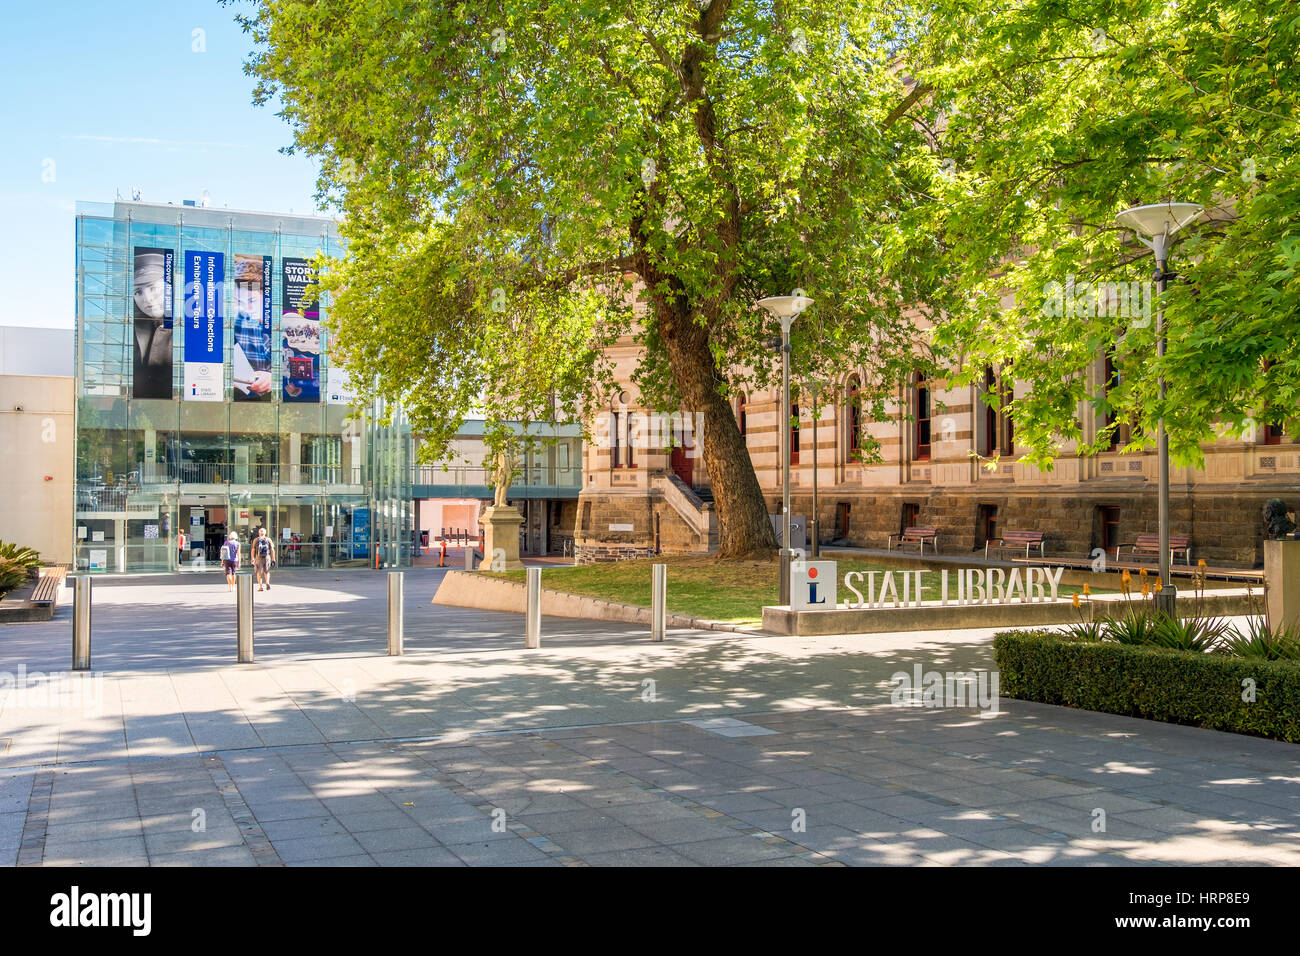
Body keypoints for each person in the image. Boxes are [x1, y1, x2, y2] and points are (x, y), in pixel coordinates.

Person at [253, 527, 276, 591]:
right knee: (267, 571)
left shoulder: (256, 540)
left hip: (258, 558)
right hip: (267, 557)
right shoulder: (268, 539)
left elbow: (253, 549)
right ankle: (267, 582)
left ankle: (260, 586)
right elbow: (272, 549)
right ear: (265, 533)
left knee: (258, 572)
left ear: (259, 533)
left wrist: (252, 558)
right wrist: (273, 558)